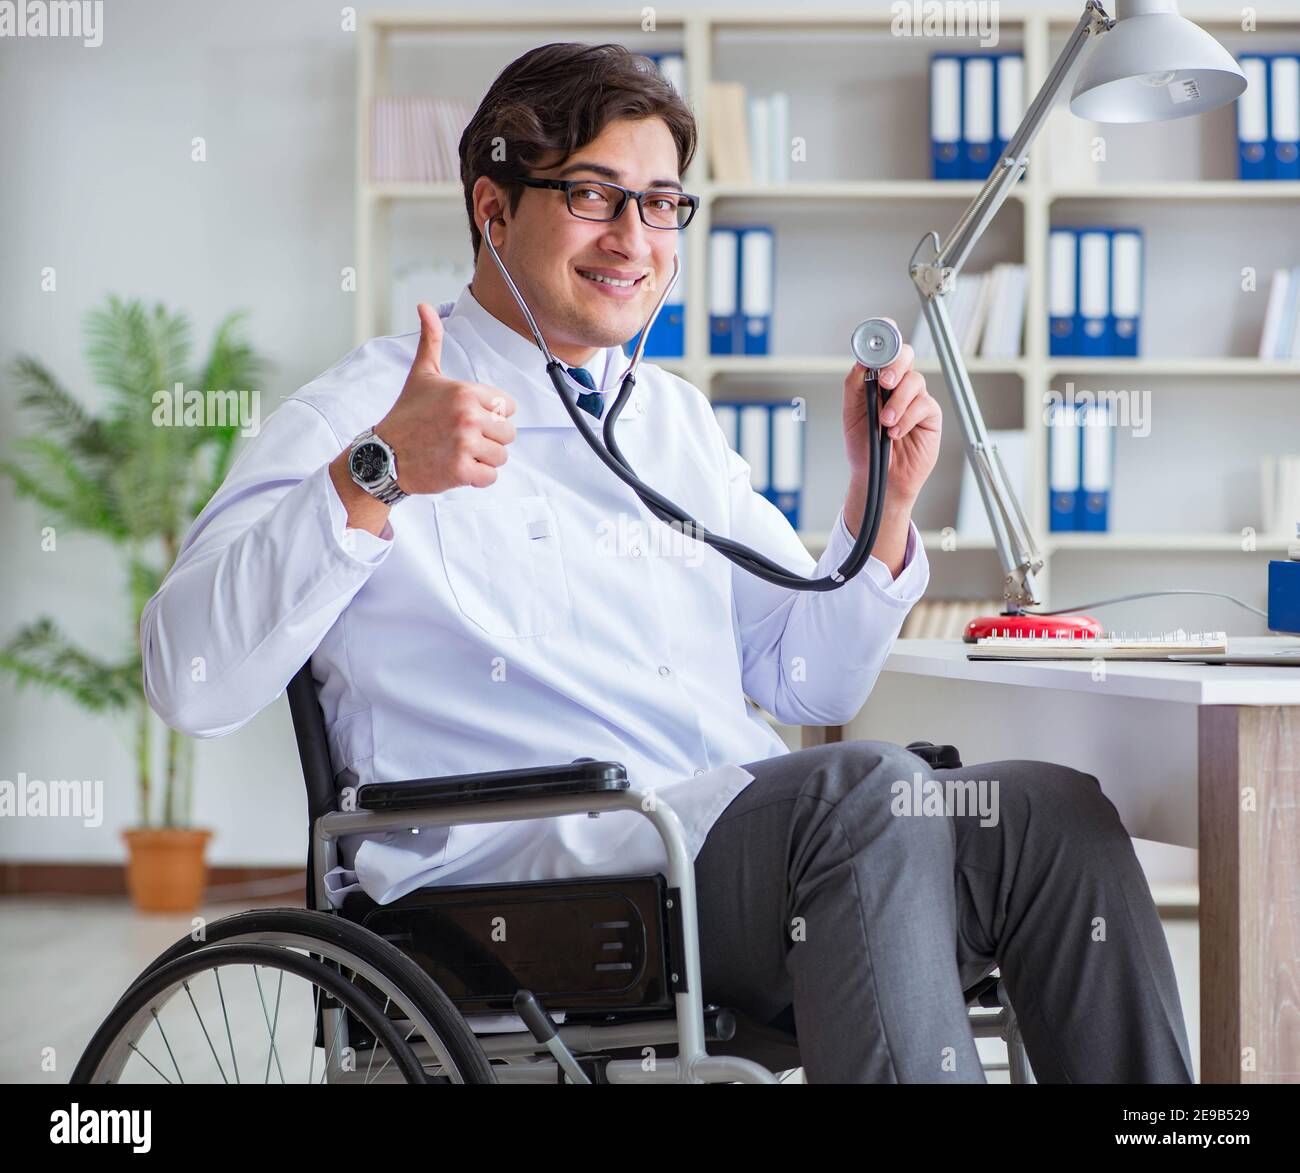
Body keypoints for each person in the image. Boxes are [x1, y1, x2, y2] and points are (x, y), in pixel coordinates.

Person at [141, 41, 1193, 1083]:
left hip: (733, 857)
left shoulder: (672, 422)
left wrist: (882, 504)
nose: (634, 239)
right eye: (596, 197)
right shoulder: (360, 412)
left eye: (660, 204)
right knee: (865, 795)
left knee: (1052, 817)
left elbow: (805, 675)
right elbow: (190, 679)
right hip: (528, 894)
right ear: (492, 209)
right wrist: (373, 474)